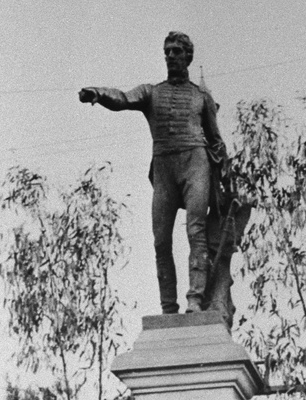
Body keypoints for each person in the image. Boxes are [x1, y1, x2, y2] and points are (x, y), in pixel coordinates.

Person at [78, 31, 229, 315]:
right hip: (163, 169)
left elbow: (216, 140)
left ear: (187, 56)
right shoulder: (152, 92)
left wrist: (226, 178)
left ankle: (195, 300)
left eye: (176, 51)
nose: (170, 56)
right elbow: (122, 98)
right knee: (161, 241)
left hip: (195, 163)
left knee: (195, 233)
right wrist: (98, 94)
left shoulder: (201, 97)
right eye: (167, 51)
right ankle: (168, 308)